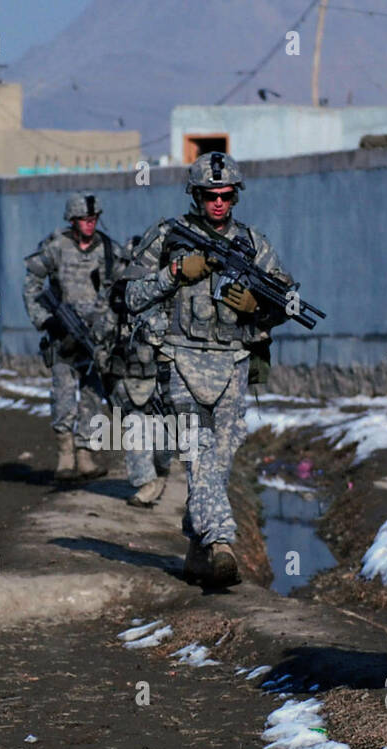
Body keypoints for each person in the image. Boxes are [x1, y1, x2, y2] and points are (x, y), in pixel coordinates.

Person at [125, 153, 294, 585]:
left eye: (226, 195)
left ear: (235, 196)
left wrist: (260, 306)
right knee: (198, 454)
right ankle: (221, 544)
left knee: (218, 462)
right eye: (210, 195)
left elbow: (288, 301)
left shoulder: (254, 245)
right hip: (180, 360)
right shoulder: (167, 238)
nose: (219, 203)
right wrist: (176, 273)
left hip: (233, 364)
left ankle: (196, 549)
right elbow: (130, 296)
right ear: (196, 196)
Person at [23, 192, 122, 481]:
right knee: (64, 394)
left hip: (97, 338)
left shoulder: (108, 250)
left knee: (93, 395)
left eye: (93, 219)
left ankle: (85, 454)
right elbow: (31, 283)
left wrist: (112, 322)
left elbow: (124, 286)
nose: (90, 225)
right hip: (63, 336)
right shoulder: (56, 247)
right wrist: (46, 320)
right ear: (72, 220)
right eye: (84, 220)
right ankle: (65, 455)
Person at [107, 234, 171, 508]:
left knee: (166, 436)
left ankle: (160, 472)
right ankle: (145, 482)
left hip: (166, 374)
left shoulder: (172, 290)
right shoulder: (121, 292)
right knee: (135, 425)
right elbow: (106, 322)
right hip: (132, 375)